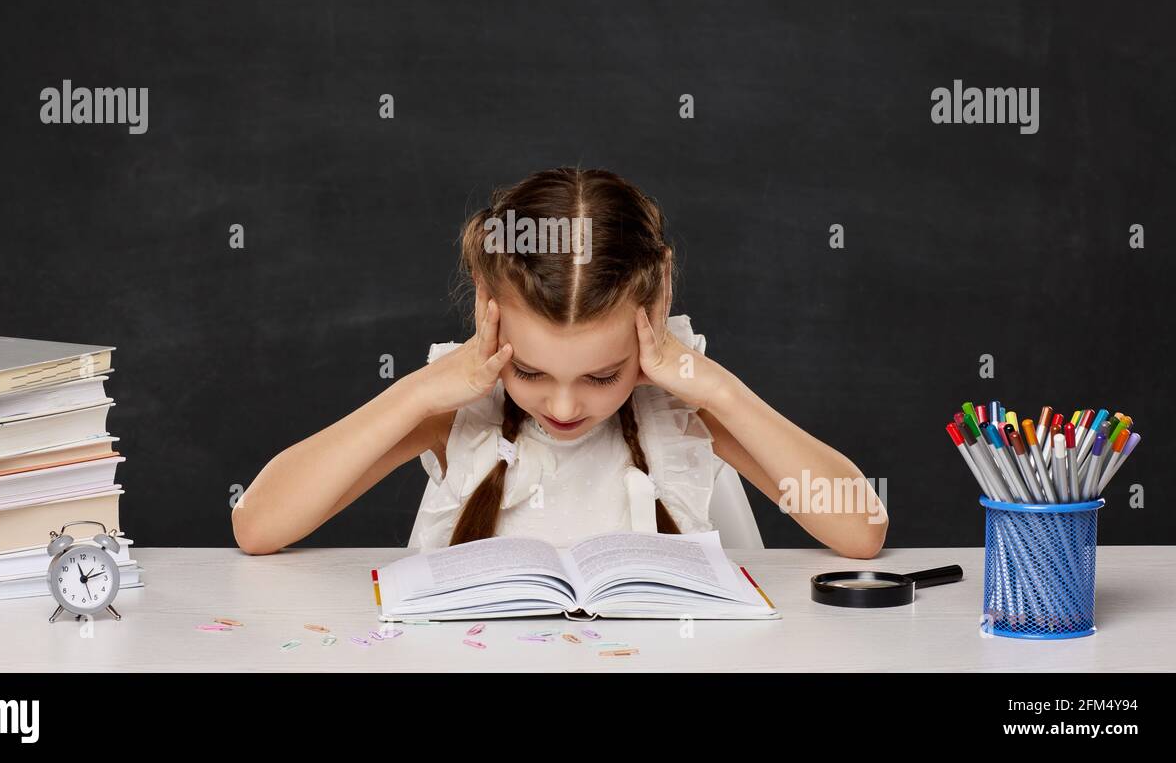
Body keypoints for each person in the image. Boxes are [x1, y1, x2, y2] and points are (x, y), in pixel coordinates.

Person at [233, 166, 886, 558]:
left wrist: (712, 387)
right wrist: (422, 391)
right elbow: (259, 524)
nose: (566, 406)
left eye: (603, 375)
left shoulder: (680, 408)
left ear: (654, 304)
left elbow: (862, 529)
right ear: (487, 302)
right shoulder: (459, 404)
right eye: (532, 372)